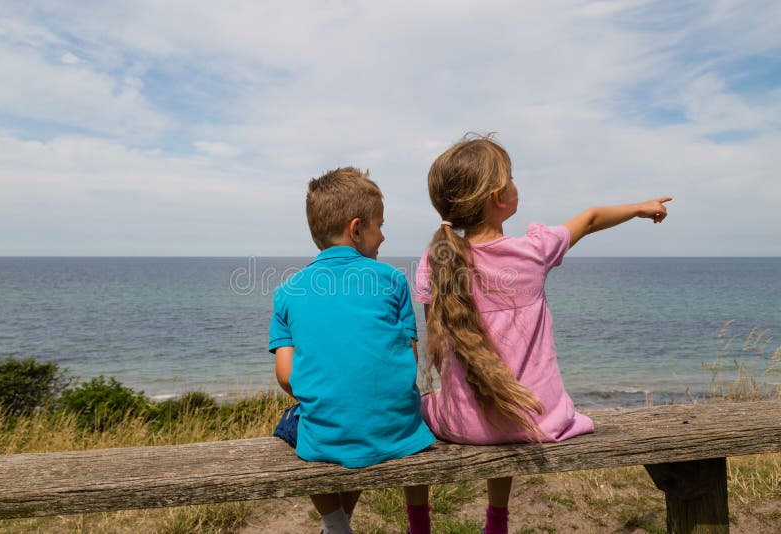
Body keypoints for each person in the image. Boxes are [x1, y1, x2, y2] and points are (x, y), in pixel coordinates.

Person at [413, 135, 671, 534]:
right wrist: (640, 207)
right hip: (535, 420)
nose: (516, 184)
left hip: (462, 425)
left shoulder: (437, 261)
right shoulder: (532, 251)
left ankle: (418, 523)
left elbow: (437, 345)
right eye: (512, 177)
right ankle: (497, 522)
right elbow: (591, 218)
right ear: (499, 197)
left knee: (416, 408)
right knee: (505, 399)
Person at [269, 167, 436, 534]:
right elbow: (407, 361)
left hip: (327, 439)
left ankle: (336, 526)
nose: (384, 235)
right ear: (357, 229)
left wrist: (330, 391)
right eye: (380, 225)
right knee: (368, 406)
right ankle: (416, 524)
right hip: (399, 432)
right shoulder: (393, 280)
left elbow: (286, 378)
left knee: (293, 421)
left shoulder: (287, 293)